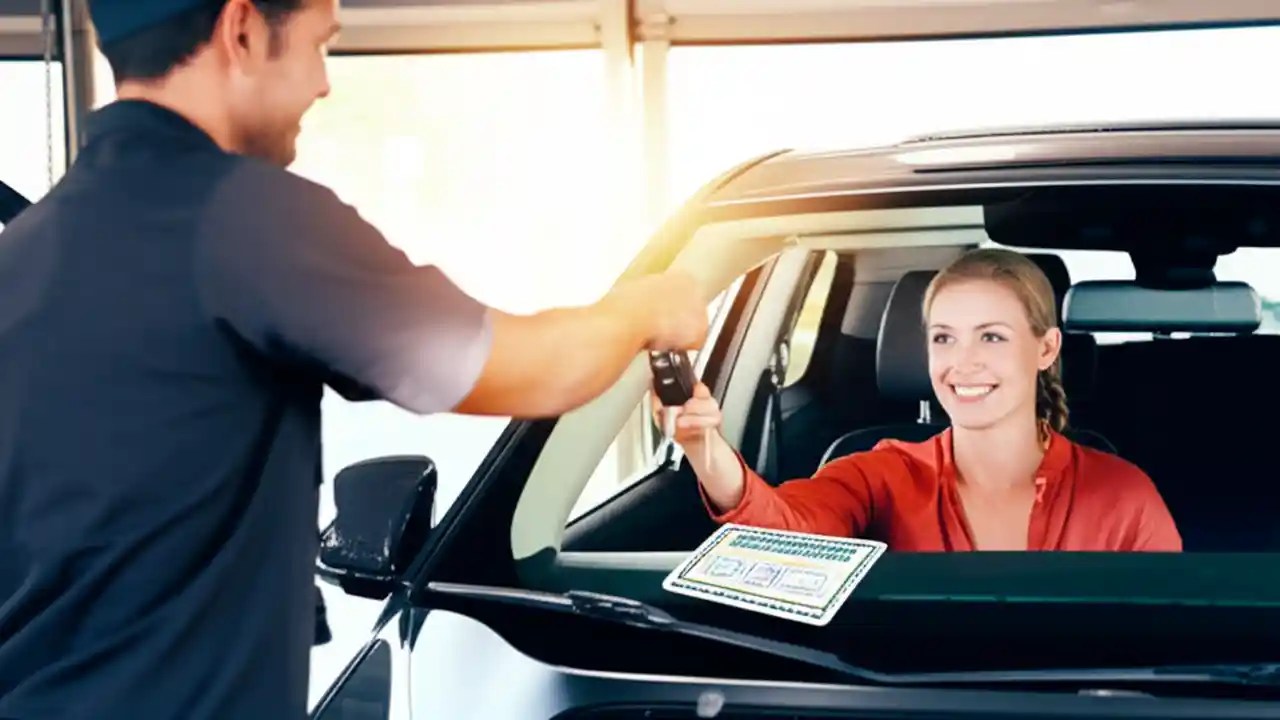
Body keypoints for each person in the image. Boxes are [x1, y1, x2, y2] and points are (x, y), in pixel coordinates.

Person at [0, 1, 708, 718]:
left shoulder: (23, 254)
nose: (323, 84)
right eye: (318, 44)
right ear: (241, 29)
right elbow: (531, 369)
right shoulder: (245, 218)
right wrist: (648, 307)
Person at [666, 248, 1182, 553]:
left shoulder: (1122, 496)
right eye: (943, 338)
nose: (963, 362)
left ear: (1045, 348)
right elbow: (786, 533)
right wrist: (703, 448)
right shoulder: (878, 475)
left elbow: (1170, 653)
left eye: (992, 337)